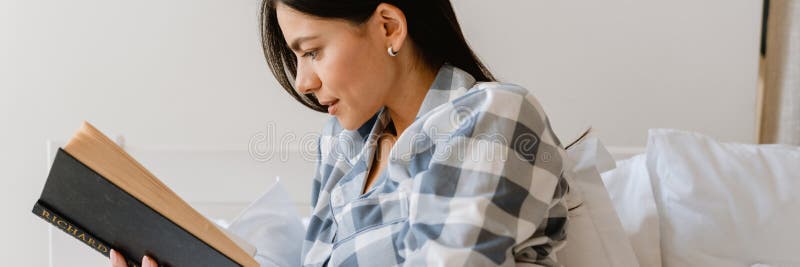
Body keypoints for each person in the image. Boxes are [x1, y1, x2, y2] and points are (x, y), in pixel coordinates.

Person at [110, 0, 571, 266]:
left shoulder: (496, 118)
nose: (302, 83)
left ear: (388, 26)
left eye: (310, 52)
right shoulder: (344, 146)